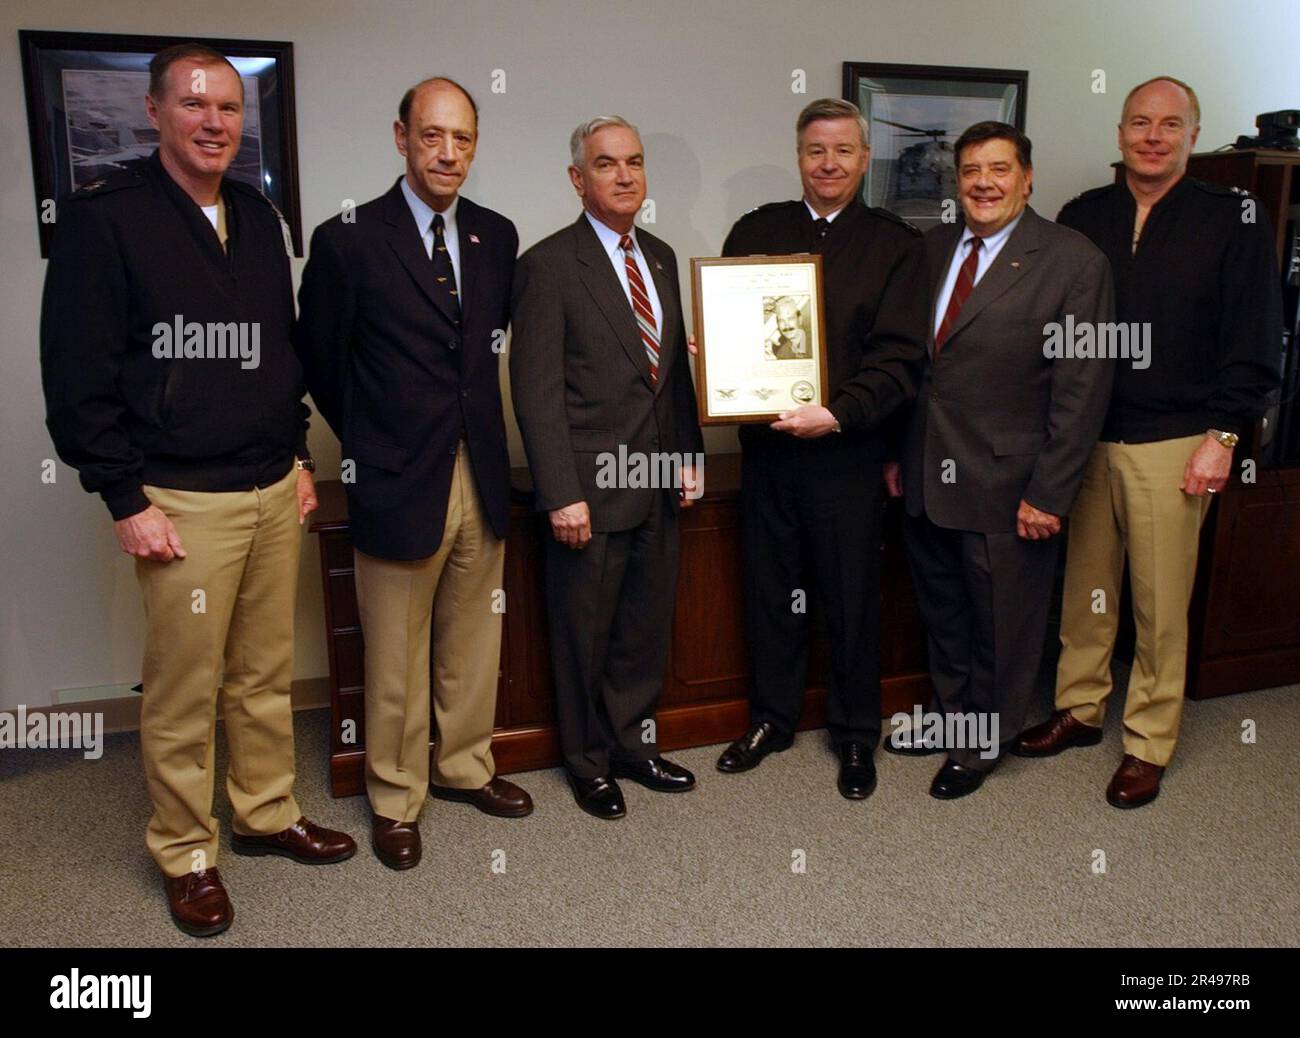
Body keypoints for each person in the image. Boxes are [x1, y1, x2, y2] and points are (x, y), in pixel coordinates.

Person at [40, 43, 354, 938]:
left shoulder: (257, 216)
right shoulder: (107, 220)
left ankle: (263, 813)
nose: (214, 122)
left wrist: (298, 456)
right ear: (155, 113)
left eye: (228, 107)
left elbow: (280, 351)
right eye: (194, 104)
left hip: (267, 483)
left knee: (261, 674)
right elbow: (76, 374)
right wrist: (122, 498)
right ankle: (184, 849)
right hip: (176, 498)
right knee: (185, 689)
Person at [1013, 77, 1283, 808]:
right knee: (1087, 590)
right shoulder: (1083, 216)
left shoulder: (1235, 219)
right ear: (1121, 132)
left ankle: (1149, 741)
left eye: (1170, 124)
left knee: (1160, 604)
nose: (1153, 136)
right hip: (1086, 437)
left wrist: (1224, 437)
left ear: (1194, 135)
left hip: (1178, 439)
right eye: (1139, 123)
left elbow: (1256, 339)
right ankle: (1078, 708)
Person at [296, 77, 532, 870]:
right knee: (394, 653)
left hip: (482, 471)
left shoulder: (496, 235)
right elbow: (322, 365)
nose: (447, 152)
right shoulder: (349, 239)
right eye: (431, 135)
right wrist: (374, 440)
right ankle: (395, 797)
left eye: (462, 138)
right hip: (395, 475)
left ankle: (465, 765)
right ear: (400, 137)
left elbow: (490, 352)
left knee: (473, 636)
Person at [890, 121, 1115, 799]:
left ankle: (984, 741)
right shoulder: (930, 250)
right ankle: (955, 718)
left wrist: (1050, 492)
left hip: (1010, 479)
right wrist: (902, 453)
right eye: (970, 172)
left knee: (1001, 621)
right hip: (929, 470)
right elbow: (915, 364)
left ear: (1027, 176)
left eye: (999, 169)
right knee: (946, 610)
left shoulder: (1074, 261)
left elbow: (1083, 389)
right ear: (955, 181)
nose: (983, 183)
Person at [714, 98, 928, 799]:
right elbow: (733, 329)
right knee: (771, 594)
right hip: (770, 457)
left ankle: (855, 735)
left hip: (848, 457)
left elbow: (899, 362)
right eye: (815, 150)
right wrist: (715, 358)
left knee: (850, 600)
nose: (828, 163)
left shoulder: (897, 245)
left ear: (865, 160)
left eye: (843, 151)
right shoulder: (756, 230)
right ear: (798, 156)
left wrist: (836, 414)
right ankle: (772, 720)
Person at [510, 116, 704, 820]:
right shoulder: (548, 265)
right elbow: (534, 392)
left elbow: (670, 376)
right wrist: (561, 493)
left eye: (634, 162)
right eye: (605, 164)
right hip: (588, 491)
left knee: (643, 629)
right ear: (577, 178)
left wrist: (687, 458)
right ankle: (587, 762)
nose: (623, 175)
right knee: (583, 634)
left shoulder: (658, 254)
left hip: (656, 486)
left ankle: (633, 744)